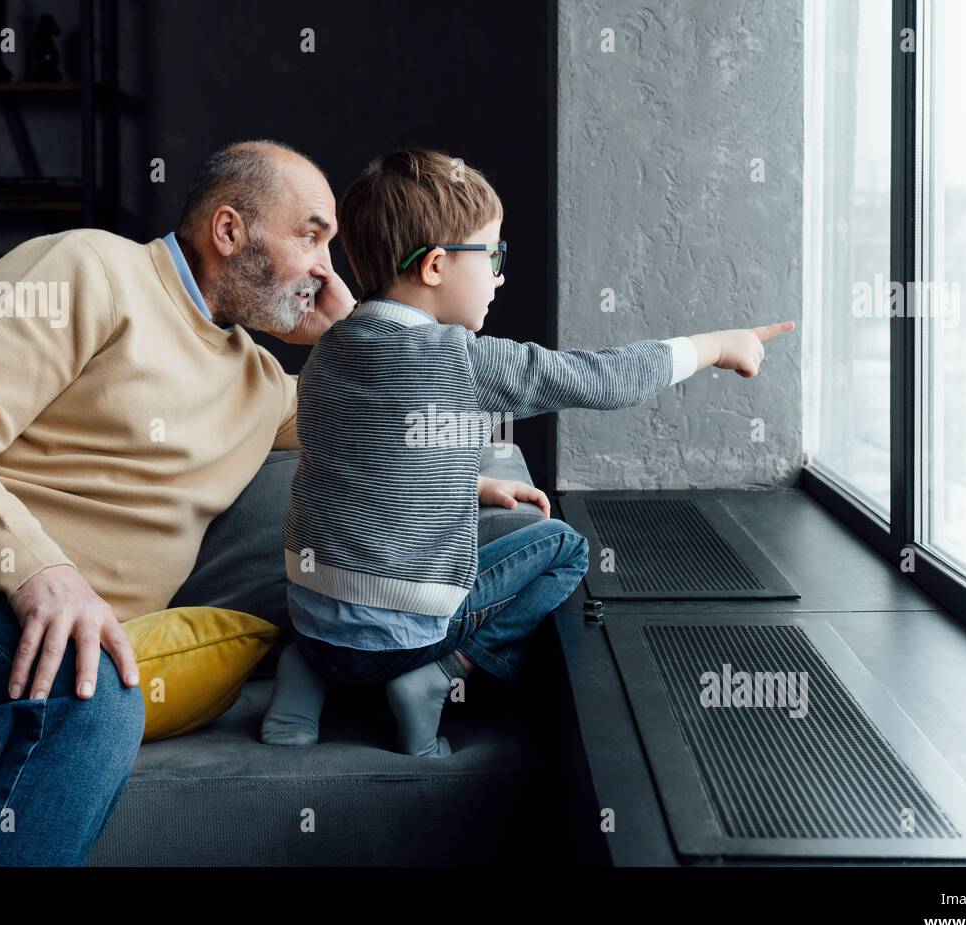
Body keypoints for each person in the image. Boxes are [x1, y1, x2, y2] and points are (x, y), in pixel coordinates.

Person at [0, 140, 358, 865]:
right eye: (312, 236)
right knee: (91, 691)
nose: (326, 269)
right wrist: (44, 571)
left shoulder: (259, 383)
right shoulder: (91, 268)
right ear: (229, 232)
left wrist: (355, 339)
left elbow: (368, 429)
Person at [261, 147, 795, 757]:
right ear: (436, 266)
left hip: (311, 620)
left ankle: (302, 682)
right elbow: (603, 379)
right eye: (493, 256)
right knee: (564, 548)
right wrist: (719, 344)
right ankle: (442, 675)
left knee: (335, 603)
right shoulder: (461, 358)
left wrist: (478, 488)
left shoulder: (328, 351)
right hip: (401, 639)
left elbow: (370, 459)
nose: (499, 275)